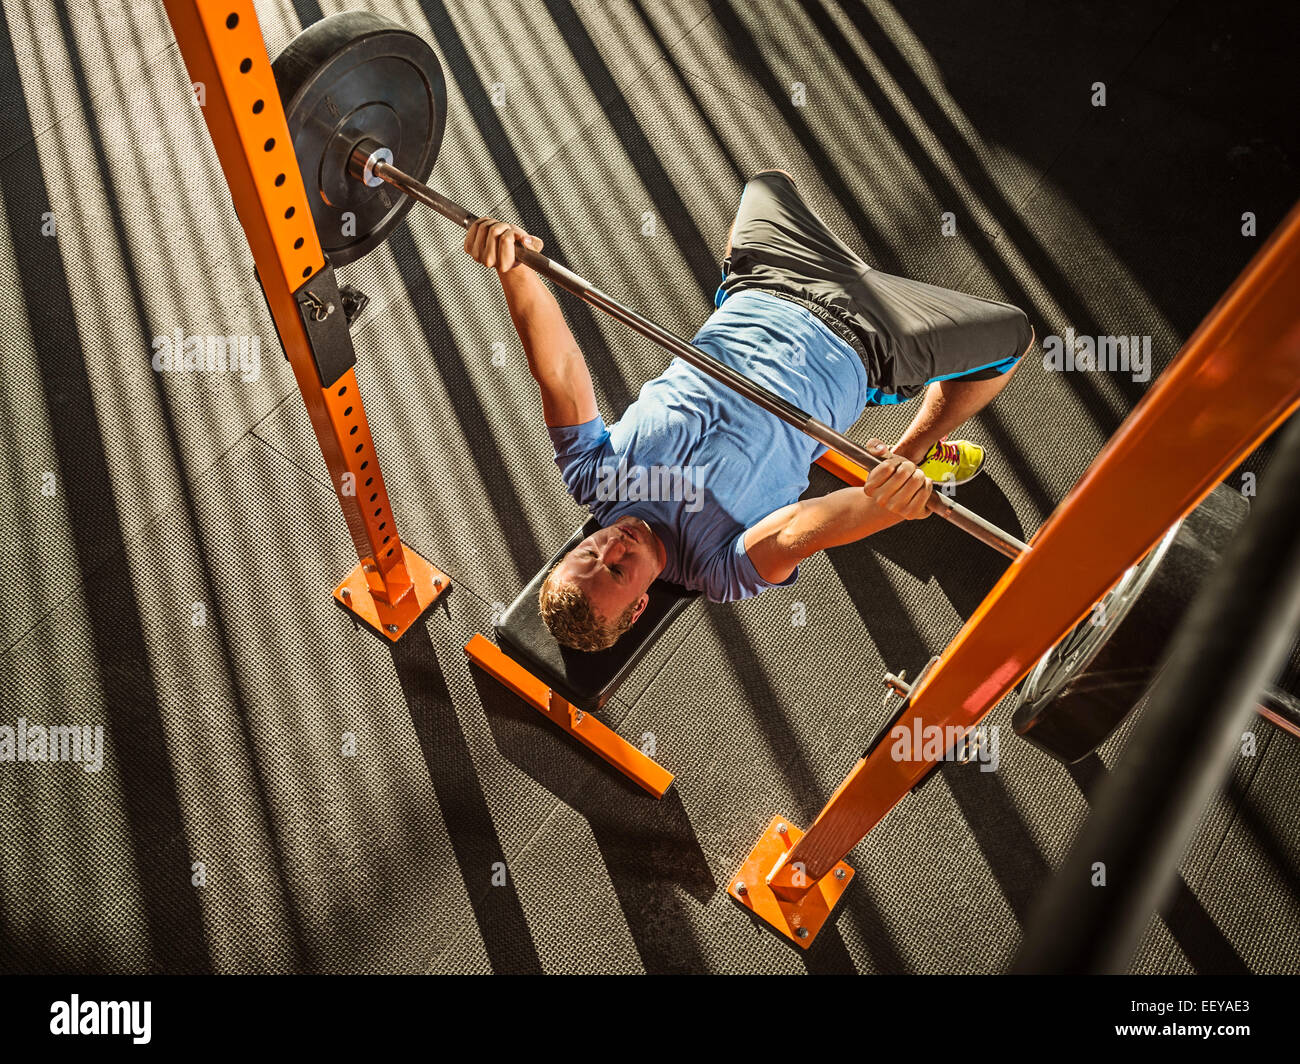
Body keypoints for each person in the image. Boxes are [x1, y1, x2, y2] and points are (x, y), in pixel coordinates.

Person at [464, 170, 1034, 651]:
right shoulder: (718, 568)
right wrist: (888, 498)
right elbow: (803, 529)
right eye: (616, 569)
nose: (613, 544)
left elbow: (559, 373)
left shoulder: (597, 477)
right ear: (638, 607)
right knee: (1015, 339)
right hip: (875, 339)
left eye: (591, 549)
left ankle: (884, 455)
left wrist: (515, 270)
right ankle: (905, 451)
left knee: (767, 182)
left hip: (771, 280)